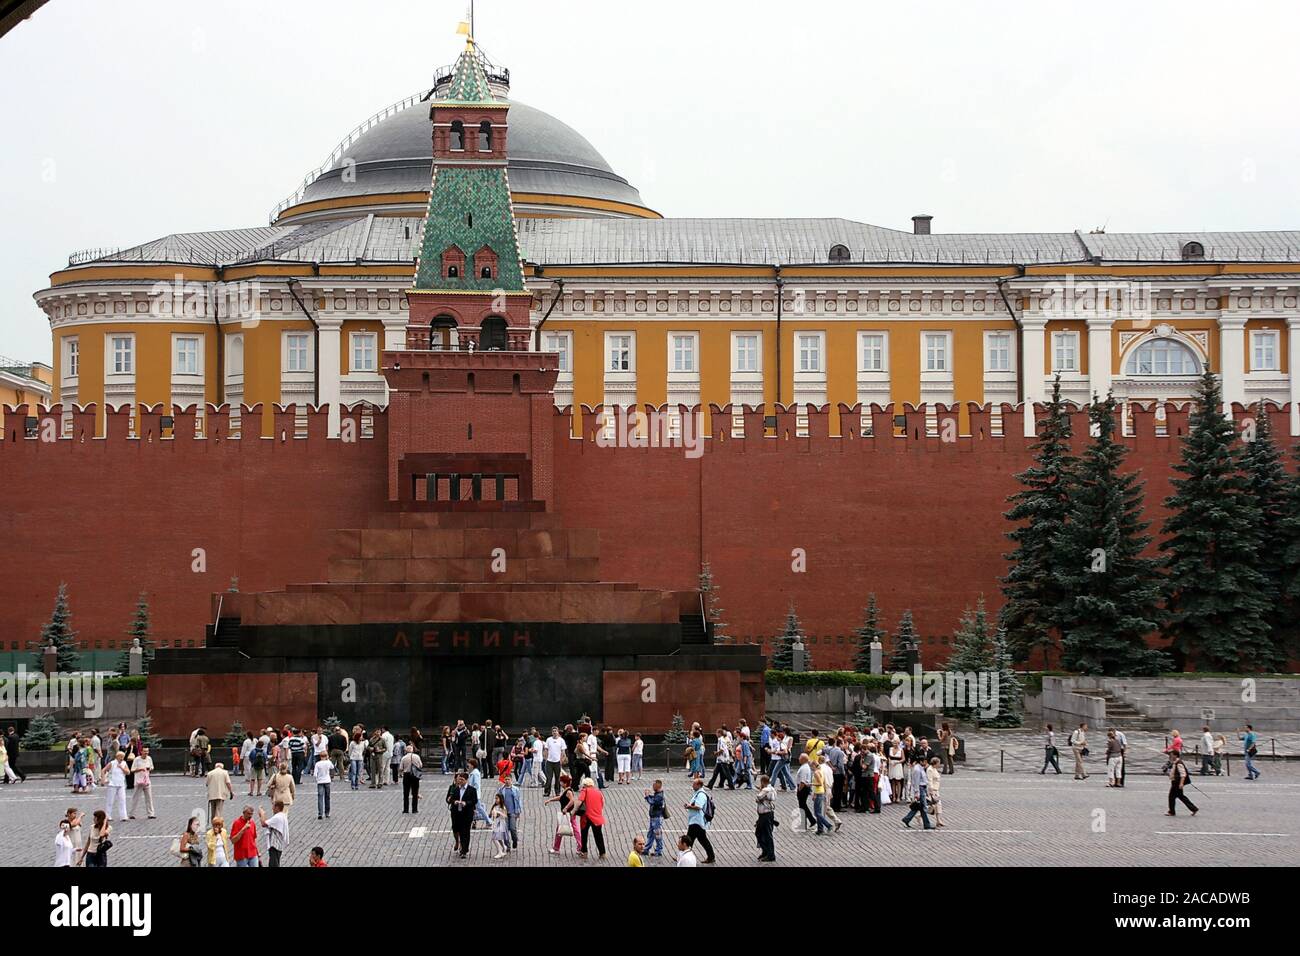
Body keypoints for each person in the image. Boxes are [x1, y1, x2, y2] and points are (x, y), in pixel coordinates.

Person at [546, 772, 581, 854]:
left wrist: (566, 808)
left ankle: (557, 848)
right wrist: (550, 800)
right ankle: (579, 846)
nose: (560, 783)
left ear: (565, 783)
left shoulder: (568, 792)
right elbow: (561, 797)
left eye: (561, 782)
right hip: (568, 814)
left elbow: (572, 800)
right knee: (565, 829)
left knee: (570, 830)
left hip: (568, 814)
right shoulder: (566, 790)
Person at [684, 777, 715, 863]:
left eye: (694, 784)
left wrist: (689, 806)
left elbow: (698, 807)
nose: (692, 785)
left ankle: (684, 854)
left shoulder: (701, 795)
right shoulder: (697, 793)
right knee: (699, 839)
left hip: (697, 821)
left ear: (699, 785)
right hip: (695, 821)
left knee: (691, 839)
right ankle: (711, 856)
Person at [447, 771, 476, 859]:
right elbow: (450, 799)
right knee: (457, 829)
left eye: (462, 780)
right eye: (459, 779)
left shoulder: (472, 790)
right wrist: (454, 801)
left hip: (467, 814)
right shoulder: (456, 789)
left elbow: (474, 801)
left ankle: (464, 850)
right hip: (456, 813)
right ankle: (459, 844)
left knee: (465, 832)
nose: (460, 781)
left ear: (466, 780)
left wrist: (466, 803)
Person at [577, 776, 607, 859]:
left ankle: (584, 852)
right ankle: (602, 853)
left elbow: (579, 802)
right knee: (598, 835)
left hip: (586, 817)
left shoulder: (585, 791)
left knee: (584, 834)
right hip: (597, 817)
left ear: (585, 785)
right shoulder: (598, 792)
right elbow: (602, 803)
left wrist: (574, 811)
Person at [900, 759, 935, 829]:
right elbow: (916, 782)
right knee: (923, 806)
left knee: (920, 806)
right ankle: (926, 824)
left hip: (922, 788)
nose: (925, 763)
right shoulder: (917, 770)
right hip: (920, 788)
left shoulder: (921, 768)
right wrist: (917, 792)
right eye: (924, 762)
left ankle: (907, 819)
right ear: (921, 761)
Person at [259, 801, 289, 867]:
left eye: (273, 806)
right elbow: (268, 823)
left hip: (275, 845)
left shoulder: (277, 817)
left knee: (273, 864)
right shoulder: (282, 815)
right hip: (279, 845)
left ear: (277, 807)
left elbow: (264, 824)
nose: (272, 808)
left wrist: (262, 814)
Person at [755, 773, 776, 862]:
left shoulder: (766, 790)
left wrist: (760, 790)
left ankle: (770, 854)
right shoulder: (772, 789)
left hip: (765, 814)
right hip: (768, 814)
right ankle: (766, 852)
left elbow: (758, 797)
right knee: (764, 833)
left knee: (763, 833)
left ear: (763, 782)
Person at [643, 779, 667, 856]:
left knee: (657, 835)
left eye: (654, 785)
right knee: (651, 834)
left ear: (657, 786)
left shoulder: (659, 796)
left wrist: (647, 796)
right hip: (654, 817)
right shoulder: (658, 794)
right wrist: (649, 796)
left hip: (657, 818)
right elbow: (653, 798)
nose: (652, 787)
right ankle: (646, 849)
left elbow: (652, 802)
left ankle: (659, 850)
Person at [206, 760, 234, 824]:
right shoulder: (225, 772)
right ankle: (218, 824)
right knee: (218, 811)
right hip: (221, 794)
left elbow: (207, 784)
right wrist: (231, 791)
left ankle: (213, 824)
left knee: (213, 811)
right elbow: (228, 783)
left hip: (212, 795)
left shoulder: (210, 773)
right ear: (222, 767)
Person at [542, 726, 567, 796]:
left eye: (555, 731)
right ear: (551, 732)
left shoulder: (561, 740)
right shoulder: (548, 740)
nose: (554, 732)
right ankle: (547, 791)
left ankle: (557, 792)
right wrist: (545, 758)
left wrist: (561, 760)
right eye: (553, 731)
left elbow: (563, 752)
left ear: (558, 732)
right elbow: (546, 750)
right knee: (549, 778)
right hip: (549, 761)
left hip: (557, 761)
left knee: (557, 778)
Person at [501, 774, 521, 851]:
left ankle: (515, 840)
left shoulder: (515, 789)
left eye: (508, 779)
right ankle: (507, 846)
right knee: (505, 830)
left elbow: (518, 801)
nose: (507, 781)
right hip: (504, 813)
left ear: (511, 780)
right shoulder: (501, 789)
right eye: (506, 779)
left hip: (513, 811)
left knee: (513, 828)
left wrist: (518, 811)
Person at [401, 744, 423, 813]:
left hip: (406, 775)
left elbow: (401, 768)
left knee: (406, 793)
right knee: (415, 793)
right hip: (415, 775)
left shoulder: (404, 758)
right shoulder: (417, 757)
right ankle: (414, 809)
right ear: (412, 750)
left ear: (406, 751)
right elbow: (420, 765)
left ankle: (406, 809)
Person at [313, 748, 334, 819]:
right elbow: (332, 767)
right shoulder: (328, 762)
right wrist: (328, 759)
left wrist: (317, 779)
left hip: (320, 782)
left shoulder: (317, 764)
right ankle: (327, 813)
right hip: (327, 781)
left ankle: (320, 813)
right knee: (327, 797)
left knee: (320, 797)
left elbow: (315, 774)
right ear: (326, 756)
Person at [489, 793, 511, 859]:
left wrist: (499, 812)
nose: (496, 800)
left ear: (500, 799)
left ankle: (500, 851)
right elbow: (493, 815)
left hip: (501, 824)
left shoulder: (503, 807)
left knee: (495, 838)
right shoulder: (495, 806)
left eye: (497, 798)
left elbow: (505, 816)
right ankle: (504, 847)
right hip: (496, 824)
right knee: (498, 838)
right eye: (495, 798)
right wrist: (493, 813)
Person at [926, 756, 945, 828]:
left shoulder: (934, 769)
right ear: (935, 763)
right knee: (935, 805)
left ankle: (938, 820)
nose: (939, 764)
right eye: (938, 763)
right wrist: (931, 790)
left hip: (936, 789)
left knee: (936, 806)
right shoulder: (930, 769)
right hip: (933, 790)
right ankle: (938, 820)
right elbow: (929, 780)